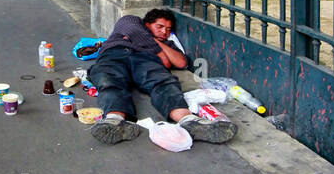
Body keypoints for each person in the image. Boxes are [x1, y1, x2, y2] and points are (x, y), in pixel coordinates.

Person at [89, 9, 235, 145]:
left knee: (163, 82)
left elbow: (181, 62)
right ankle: (115, 120)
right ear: (146, 24)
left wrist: (157, 43)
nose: (164, 32)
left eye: (168, 29)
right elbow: (133, 30)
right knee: (109, 80)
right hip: (115, 54)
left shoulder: (168, 43)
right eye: (159, 27)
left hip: (145, 60)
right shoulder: (132, 21)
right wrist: (159, 53)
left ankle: (189, 120)